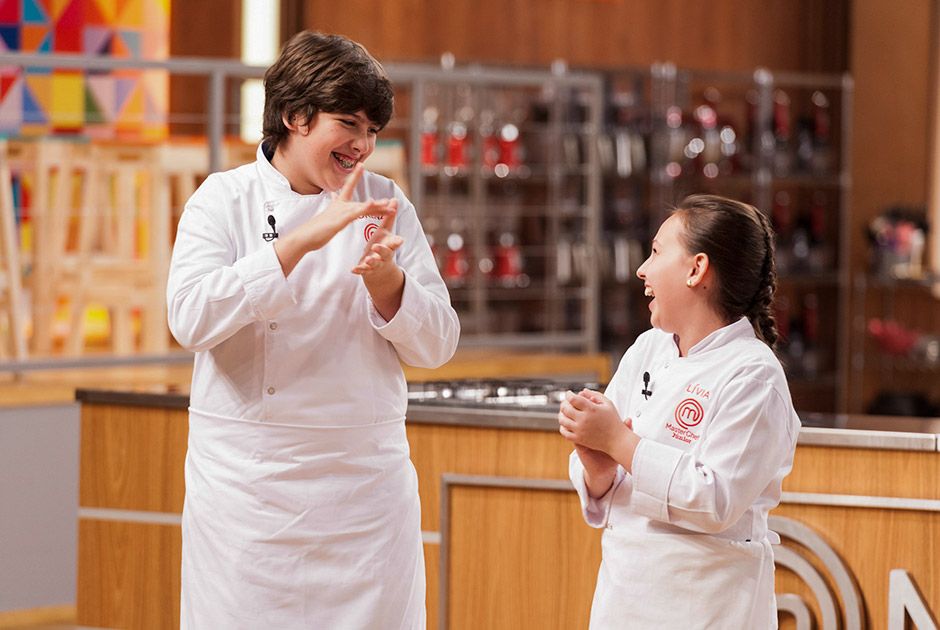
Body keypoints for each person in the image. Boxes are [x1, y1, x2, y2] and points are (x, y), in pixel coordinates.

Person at [166, 31, 459, 629]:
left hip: (364, 495)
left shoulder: (385, 200)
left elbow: (439, 343)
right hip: (250, 497)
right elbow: (189, 318)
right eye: (348, 124)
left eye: (373, 132)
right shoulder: (222, 201)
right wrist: (302, 241)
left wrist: (389, 286)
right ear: (295, 115)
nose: (362, 146)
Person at [558, 194, 800, 629]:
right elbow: (613, 479)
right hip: (625, 595)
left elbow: (714, 501)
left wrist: (618, 441)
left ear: (696, 270)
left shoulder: (754, 374)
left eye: (655, 253)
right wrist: (597, 468)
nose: (642, 270)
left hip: (708, 603)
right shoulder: (648, 348)